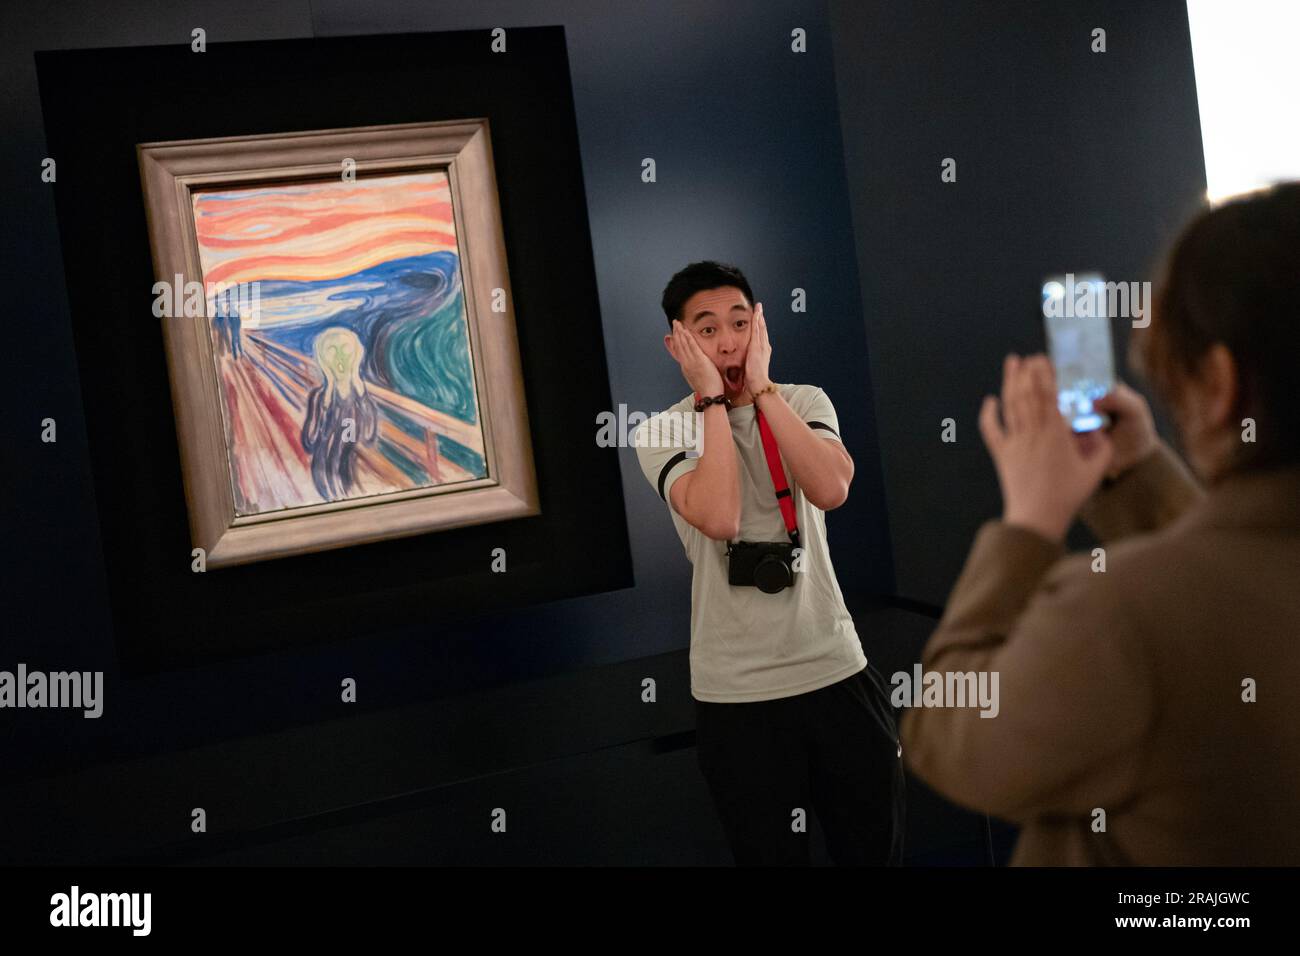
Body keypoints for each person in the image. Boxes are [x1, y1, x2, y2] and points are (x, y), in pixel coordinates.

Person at [900, 182, 1300, 865]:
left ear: (1221, 382)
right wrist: (1139, 478)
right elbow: (1237, 583)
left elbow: (949, 737)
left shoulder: (1120, 613)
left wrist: (1029, 522)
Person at [633, 261, 904, 866]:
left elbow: (831, 487)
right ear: (677, 342)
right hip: (738, 699)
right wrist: (711, 399)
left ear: (761, 326)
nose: (728, 341)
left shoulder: (804, 400)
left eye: (739, 322)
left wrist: (760, 391)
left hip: (836, 674)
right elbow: (721, 516)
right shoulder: (661, 431)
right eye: (707, 330)